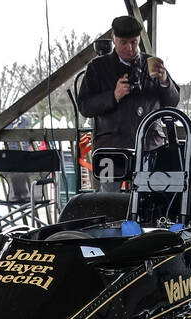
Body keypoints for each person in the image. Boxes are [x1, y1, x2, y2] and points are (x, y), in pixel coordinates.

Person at [76, 15, 180, 191]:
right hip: (111, 147)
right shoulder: (97, 68)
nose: (129, 48)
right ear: (113, 39)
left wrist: (165, 82)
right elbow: (85, 106)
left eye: (134, 42)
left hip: (150, 145)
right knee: (109, 198)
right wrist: (113, 96)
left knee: (151, 196)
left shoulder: (152, 64)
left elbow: (172, 103)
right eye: (123, 43)